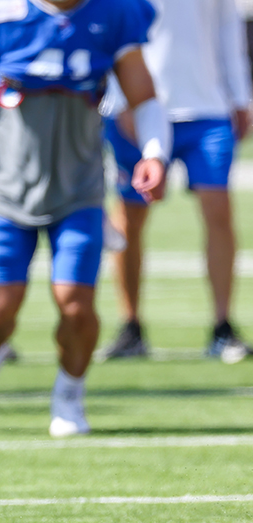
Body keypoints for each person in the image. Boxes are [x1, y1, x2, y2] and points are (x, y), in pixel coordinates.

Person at [0, 0, 168, 437]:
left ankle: (70, 394)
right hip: (4, 188)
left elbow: (144, 95)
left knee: (76, 302)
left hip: (80, 189)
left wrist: (154, 153)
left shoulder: (114, 12)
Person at [99, 0, 252, 365]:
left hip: (207, 109)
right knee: (131, 218)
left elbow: (227, 29)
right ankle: (131, 325)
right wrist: (119, 101)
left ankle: (222, 326)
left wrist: (241, 95)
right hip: (136, 107)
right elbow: (109, 34)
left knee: (218, 211)